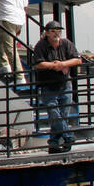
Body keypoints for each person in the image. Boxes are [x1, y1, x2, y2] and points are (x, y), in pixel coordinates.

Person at [32, 20, 83, 153]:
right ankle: (68, 136)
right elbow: (38, 64)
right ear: (47, 33)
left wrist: (63, 64)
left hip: (65, 84)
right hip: (48, 86)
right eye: (53, 31)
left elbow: (77, 59)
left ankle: (53, 144)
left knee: (63, 115)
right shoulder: (41, 46)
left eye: (59, 30)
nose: (56, 33)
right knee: (54, 113)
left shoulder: (66, 43)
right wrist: (54, 66)